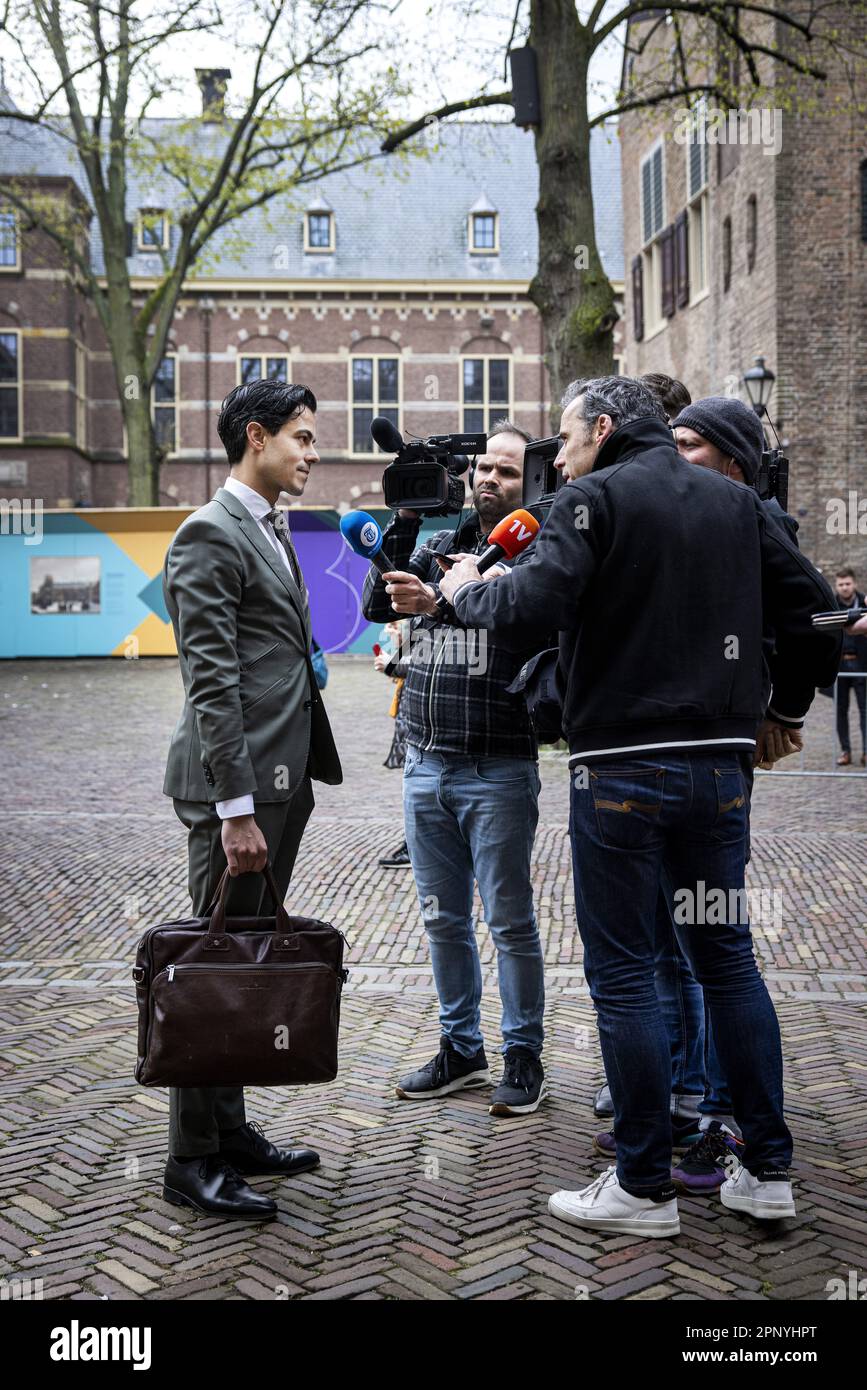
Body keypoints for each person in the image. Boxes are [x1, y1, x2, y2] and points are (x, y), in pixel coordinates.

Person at [440, 375, 840, 1236]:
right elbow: (817, 611)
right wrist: (782, 711)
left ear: (605, 427)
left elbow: (525, 607)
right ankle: (767, 1171)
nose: (560, 453)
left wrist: (463, 587)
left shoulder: (592, 499)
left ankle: (642, 1186)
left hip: (619, 773)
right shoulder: (735, 505)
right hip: (720, 776)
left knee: (623, 972)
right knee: (726, 960)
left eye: (566, 435)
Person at [161, 378, 342, 1219]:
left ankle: (229, 1132)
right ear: (257, 436)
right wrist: (234, 808)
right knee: (209, 966)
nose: (312, 453)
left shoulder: (268, 527)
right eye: (301, 438)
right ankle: (191, 1158)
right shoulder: (210, 531)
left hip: (280, 780)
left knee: (240, 959)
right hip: (237, 791)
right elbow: (211, 682)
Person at [361, 420, 550, 1116]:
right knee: (442, 918)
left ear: (528, 480)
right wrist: (404, 524)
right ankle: (460, 1047)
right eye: (482, 470)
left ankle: (523, 1054)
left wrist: (446, 597)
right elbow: (375, 604)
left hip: (497, 764)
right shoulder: (442, 546)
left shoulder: (541, 553)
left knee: (509, 922)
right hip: (424, 761)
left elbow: (525, 618)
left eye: (504, 470)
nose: (487, 481)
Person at [376, 620, 412, 867]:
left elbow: (422, 663)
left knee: (416, 782)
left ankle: (414, 848)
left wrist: (391, 664)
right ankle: (413, 844)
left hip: (415, 720)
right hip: (409, 713)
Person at [830, 568, 867, 766]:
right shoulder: (830, 604)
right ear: (837, 586)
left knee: (865, 709)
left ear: (854, 584)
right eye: (841, 584)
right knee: (841, 710)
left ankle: (866, 752)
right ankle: (845, 751)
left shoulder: (864, 603)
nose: (845, 588)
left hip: (862, 665)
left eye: (848, 584)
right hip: (839, 666)